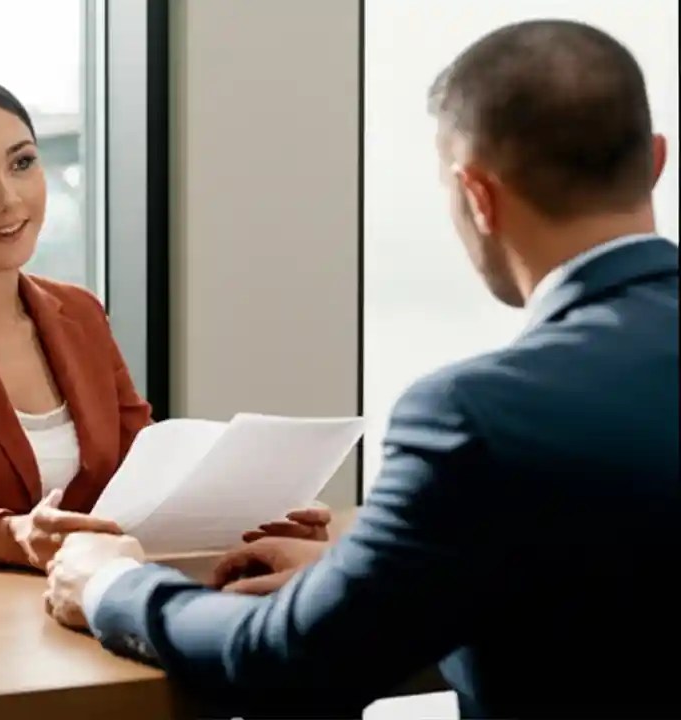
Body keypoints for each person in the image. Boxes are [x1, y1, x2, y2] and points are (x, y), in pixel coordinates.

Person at [44, 19, 679, 719]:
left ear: (478, 197)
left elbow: (282, 662)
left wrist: (112, 585)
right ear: (655, 160)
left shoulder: (481, 413)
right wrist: (368, 583)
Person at [0, 68, 333, 571]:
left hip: (91, 599)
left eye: (22, 163)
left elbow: (149, 475)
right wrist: (10, 535)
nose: (8, 198)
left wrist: (260, 519)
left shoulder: (81, 314)